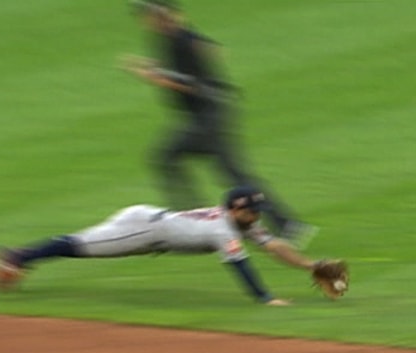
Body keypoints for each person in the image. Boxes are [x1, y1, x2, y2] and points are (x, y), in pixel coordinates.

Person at [123, 0, 314, 246]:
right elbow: (210, 49)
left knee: (165, 156)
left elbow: (189, 82)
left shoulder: (178, 39)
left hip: (208, 115)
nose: (144, 19)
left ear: (160, 15)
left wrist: (156, 76)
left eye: (147, 13)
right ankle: (288, 225)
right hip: (212, 112)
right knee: (235, 174)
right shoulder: (174, 37)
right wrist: (161, 69)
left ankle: (190, 224)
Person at [0, 186, 332, 305]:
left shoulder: (241, 222)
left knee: (81, 244)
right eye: (254, 211)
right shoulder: (223, 230)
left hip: (151, 225)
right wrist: (265, 298)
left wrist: (308, 265)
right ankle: (15, 257)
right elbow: (241, 265)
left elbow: (272, 246)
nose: (258, 217)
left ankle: (18, 259)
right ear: (236, 209)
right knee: (80, 246)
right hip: (142, 228)